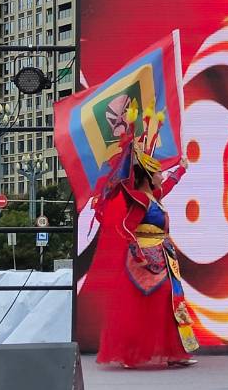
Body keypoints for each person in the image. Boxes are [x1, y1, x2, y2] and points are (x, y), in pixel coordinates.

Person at [79, 106, 198, 368]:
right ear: (148, 176)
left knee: (170, 301)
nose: (161, 176)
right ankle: (132, 353)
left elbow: (168, 185)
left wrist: (182, 169)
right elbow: (125, 227)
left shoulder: (153, 197)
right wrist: (139, 253)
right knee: (150, 304)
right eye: (158, 173)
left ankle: (174, 353)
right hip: (147, 260)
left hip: (163, 256)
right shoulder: (141, 200)